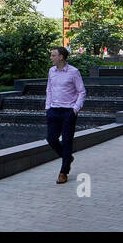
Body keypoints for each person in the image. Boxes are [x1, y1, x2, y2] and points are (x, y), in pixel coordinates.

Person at [44, 46, 86, 184]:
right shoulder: (51, 71)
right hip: (54, 111)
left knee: (67, 141)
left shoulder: (74, 72)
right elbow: (49, 89)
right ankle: (67, 157)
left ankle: (63, 172)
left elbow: (81, 92)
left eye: (53, 55)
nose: (51, 58)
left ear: (61, 57)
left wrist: (75, 109)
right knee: (51, 139)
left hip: (68, 111)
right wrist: (48, 107)